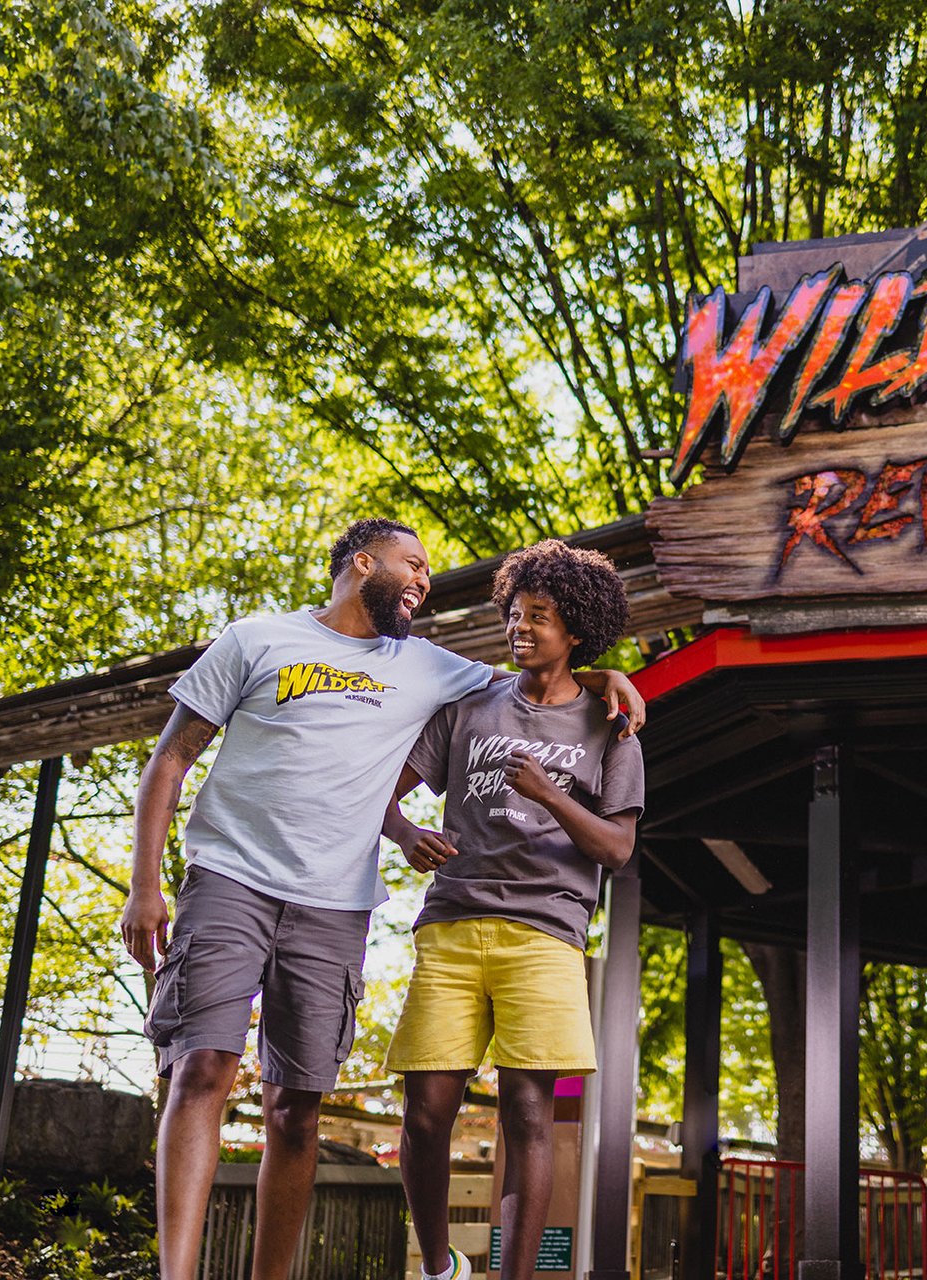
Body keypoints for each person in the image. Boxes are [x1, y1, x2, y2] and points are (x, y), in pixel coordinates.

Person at [120, 519, 645, 1280]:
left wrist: (606, 678)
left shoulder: (437, 670)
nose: (426, 579)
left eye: (429, 569)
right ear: (362, 563)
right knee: (202, 1067)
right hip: (244, 880)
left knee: (298, 1108)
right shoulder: (260, 639)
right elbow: (170, 759)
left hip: (357, 909)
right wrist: (145, 884)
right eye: (414, 564)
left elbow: (542, 684)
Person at [382, 539, 644, 1280]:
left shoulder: (612, 726)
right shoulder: (469, 705)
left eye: (541, 616)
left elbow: (617, 851)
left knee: (528, 1117)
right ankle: (439, 1269)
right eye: (515, 613)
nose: (521, 627)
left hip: (546, 937)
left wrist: (551, 795)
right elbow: (385, 791)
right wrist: (406, 835)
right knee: (426, 1113)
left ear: (577, 632)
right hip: (454, 924)